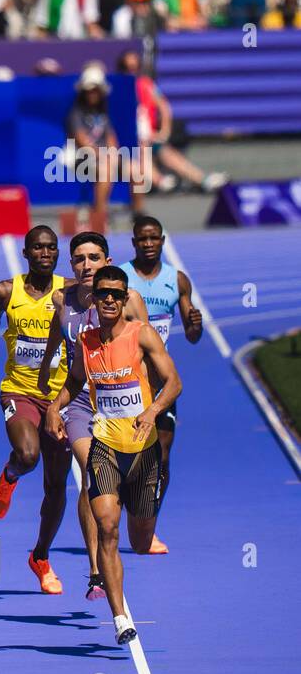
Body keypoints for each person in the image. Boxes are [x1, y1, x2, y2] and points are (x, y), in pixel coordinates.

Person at [46, 265, 182, 644]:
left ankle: (142, 535)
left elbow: (174, 382)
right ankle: (120, 617)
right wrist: (56, 407)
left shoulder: (142, 335)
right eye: (102, 293)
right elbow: (75, 380)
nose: (108, 299)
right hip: (104, 445)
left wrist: (152, 411)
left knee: (138, 540)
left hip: (143, 451)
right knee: (107, 525)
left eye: (116, 295)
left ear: (125, 300)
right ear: (95, 297)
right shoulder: (86, 342)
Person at [37, 232, 149, 600]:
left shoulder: (129, 300)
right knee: (92, 471)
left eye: (94, 258)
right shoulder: (62, 300)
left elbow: (143, 352)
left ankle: (117, 537)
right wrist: (47, 388)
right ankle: (97, 569)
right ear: (71, 265)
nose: (86, 265)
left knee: (120, 493)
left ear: (108, 261)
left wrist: (149, 408)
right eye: (79, 259)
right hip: (82, 403)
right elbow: (57, 339)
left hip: (122, 404)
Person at [0, 225, 73, 595]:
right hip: (19, 391)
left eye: (51, 248)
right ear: (26, 253)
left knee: (57, 485)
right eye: (38, 248)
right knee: (28, 455)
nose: (45, 254)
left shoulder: (71, 291)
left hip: (61, 398)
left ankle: (41, 557)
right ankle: (11, 473)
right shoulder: (3, 292)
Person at [118, 215, 203, 549]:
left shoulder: (177, 280)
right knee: (124, 451)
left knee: (162, 457)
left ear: (163, 241)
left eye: (154, 238)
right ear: (134, 242)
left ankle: (148, 525)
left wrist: (196, 325)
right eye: (143, 239)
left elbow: (193, 336)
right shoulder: (120, 277)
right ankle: (120, 505)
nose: (149, 244)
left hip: (159, 380)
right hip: (124, 377)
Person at [117, 50, 229, 194]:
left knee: (167, 153)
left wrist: (164, 131)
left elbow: (163, 107)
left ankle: (203, 180)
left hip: (149, 137)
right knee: (142, 149)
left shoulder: (146, 84)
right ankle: (160, 181)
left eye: (134, 68)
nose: (131, 72)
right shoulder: (118, 90)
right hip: (130, 144)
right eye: (127, 69)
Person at [65, 62, 122, 219]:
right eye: (89, 91)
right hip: (81, 159)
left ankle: (137, 213)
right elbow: (83, 142)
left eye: (96, 90)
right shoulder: (75, 113)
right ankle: (100, 215)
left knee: (136, 170)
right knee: (105, 171)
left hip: (105, 158)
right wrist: (105, 156)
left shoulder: (103, 112)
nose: (93, 94)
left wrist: (114, 154)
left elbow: (111, 137)